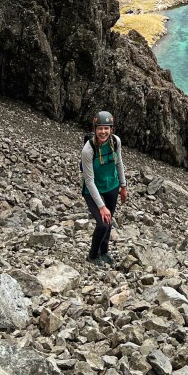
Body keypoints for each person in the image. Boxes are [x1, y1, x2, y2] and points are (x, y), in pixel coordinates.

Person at [81, 110, 128, 267]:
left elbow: (119, 163)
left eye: (106, 128)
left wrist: (123, 186)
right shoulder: (88, 150)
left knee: (109, 220)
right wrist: (101, 206)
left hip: (112, 186)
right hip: (93, 189)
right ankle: (93, 256)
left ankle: (105, 251)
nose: (103, 132)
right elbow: (89, 180)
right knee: (103, 224)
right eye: (100, 128)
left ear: (111, 129)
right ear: (95, 128)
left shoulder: (116, 141)